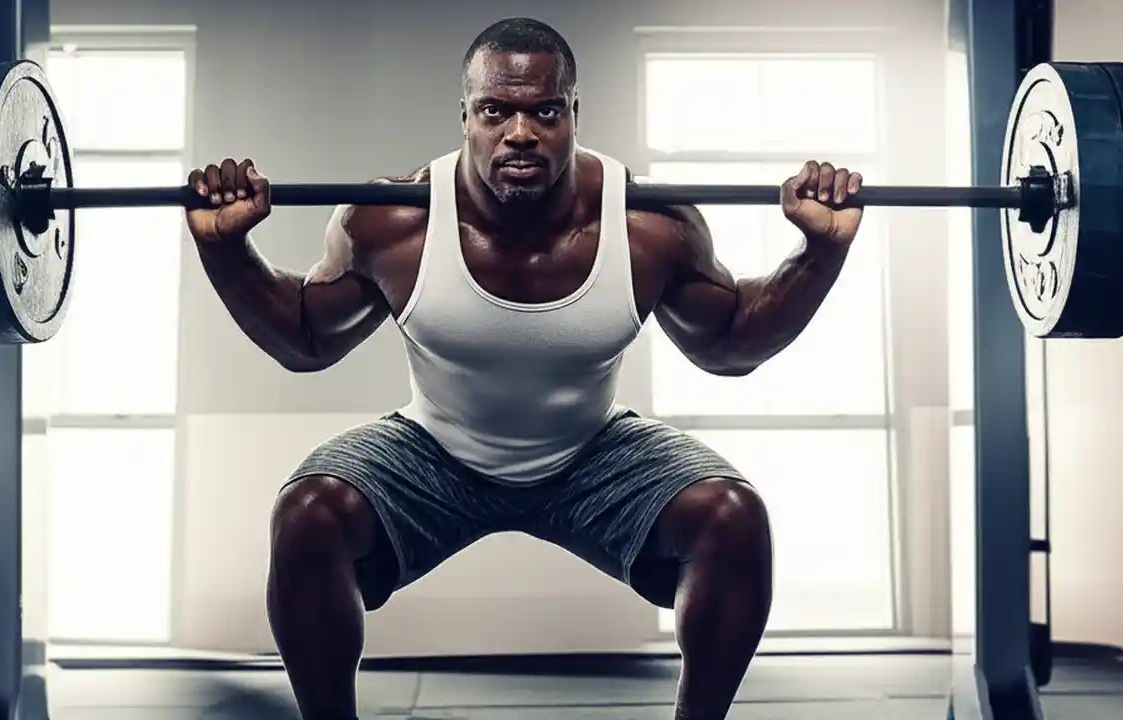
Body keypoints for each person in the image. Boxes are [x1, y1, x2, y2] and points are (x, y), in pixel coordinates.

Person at [185, 17, 863, 720]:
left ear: (573, 113)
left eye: (544, 111)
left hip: (592, 450)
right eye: (494, 111)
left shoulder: (649, 225)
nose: (520, 133)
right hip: (435, 448)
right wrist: (227, 252)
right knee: (308, 514)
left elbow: (727, 345)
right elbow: (306, 340)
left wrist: (819, 255)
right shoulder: (392, 223)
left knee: (732, 517)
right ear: (465, 117)